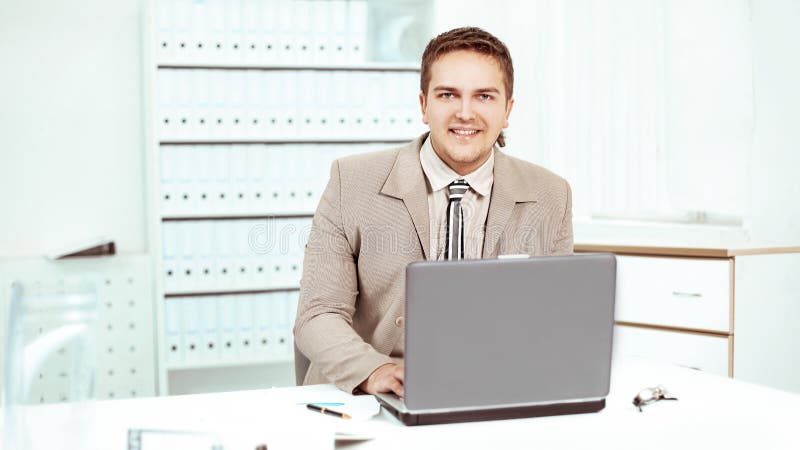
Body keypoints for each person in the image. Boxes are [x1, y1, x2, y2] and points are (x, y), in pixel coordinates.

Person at [293, 27, 573, 396]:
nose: (465, 112)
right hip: (373, 393)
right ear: (424, 106)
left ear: (507, 110)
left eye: (484, 96)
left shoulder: (551, 194)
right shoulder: (352, 181)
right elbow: (318, 314)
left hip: (490, 388)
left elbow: (552, 321)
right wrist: (375, 371)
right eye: (448, 95)